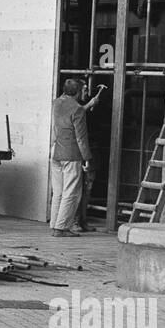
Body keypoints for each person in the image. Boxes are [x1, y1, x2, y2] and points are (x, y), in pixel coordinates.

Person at [50, 78, 93, 238]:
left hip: (56, 152)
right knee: (71, 192)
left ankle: (55, 224)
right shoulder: (78, 109)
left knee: (58, 192)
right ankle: (61, 228)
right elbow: (81, 138)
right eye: (83, 89)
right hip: (71, 153)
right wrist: (87, 158)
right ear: (76, 91)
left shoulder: (57, 103)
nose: (85, 92)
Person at [74, 79, 105, 231]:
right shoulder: (72, 106)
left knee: (87, 188)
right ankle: (74, 221)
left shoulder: (90, 105)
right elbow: (74, 117)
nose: (87, 92)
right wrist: (89, 106)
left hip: (92, 149)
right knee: (76, 187)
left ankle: (82, 220)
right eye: (84, 89)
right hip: (79, 151)